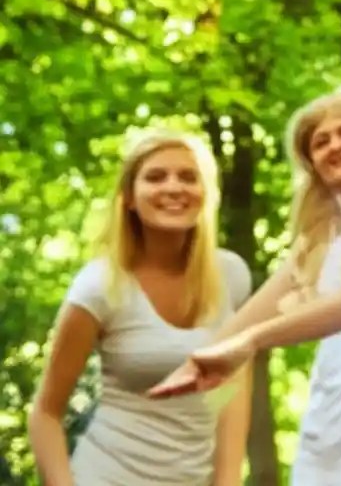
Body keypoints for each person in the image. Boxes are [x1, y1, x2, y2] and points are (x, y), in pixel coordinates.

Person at [148, 85, 341, 485]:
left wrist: (251, 344)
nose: (335, 145)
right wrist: (191, 367)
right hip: (334, 417)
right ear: (313, 164)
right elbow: (252, 313)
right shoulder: (319, 239)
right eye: (321, 142)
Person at [27, 128, 253, 486]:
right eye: (155, 177)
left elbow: (234, 390)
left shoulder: (232, 275)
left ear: (206, 194)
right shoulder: (100, 285)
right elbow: (45, 413)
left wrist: (227, 481)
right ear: (129, 198)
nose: (174, 187)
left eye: (188, 177)